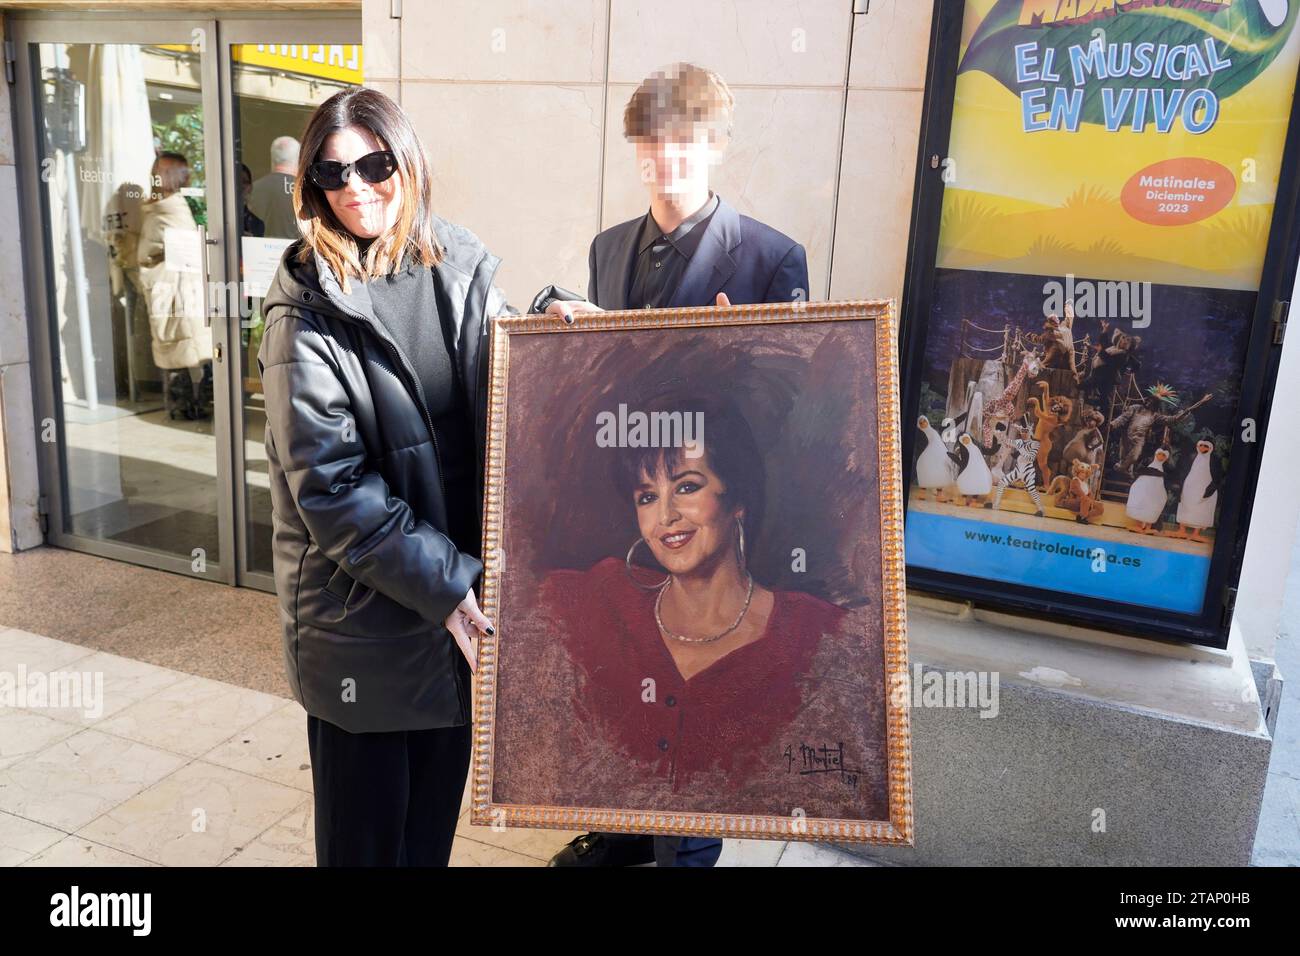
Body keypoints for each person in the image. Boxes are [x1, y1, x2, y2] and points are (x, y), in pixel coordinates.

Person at [258, 86, 584, 867]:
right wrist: (451, 590)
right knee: (366, 850)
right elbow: (334, 493)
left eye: (373, 164)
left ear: (407, 160)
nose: (357, 188)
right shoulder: (301, 314)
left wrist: (553, 326)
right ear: (311, 189)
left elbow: (504, 374)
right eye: (333, 175)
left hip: (453, 620)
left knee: (426, 842)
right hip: (363, 635)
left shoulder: (457, 264)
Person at [546, 62, 811, 869]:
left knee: (701, 688)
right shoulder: (606, 249)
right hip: (626, 509)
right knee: (626, 676)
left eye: (685, 142)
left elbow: (792, 415)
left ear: (718, 147)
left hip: (713, 521)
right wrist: (558, 324)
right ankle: (624, 830)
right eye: (652, 143)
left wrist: (742, 364)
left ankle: (688, 851)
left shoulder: (773, 257)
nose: (667, 159)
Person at [135, 151, 212, 420]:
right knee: (179, 342)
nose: (166, 177)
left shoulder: (177, 205)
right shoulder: (157, 207)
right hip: (169, 285)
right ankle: (183, 405)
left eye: (173, 171)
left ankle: (196, 402)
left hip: (184, 285)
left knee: (190, 343)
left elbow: (188, 244)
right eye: (163, 171)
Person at [247, 135, 300, 239]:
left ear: (272, 158)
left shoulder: (254, 188)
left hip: (261, 251)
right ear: (298, 158)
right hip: (295, 253)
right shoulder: (305, 191)